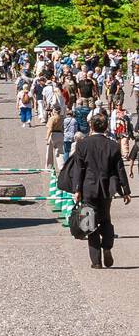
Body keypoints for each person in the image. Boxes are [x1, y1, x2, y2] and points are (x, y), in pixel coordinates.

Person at [67, 113, 133, 269]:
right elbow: (120, 170)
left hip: (87, 188)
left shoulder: (83, 145)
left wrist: (77, 189)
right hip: (106, 189)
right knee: (105, 220)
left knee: (89, 223)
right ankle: (107, 247)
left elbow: (79, 170)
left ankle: (96, 261)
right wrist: (125, 190)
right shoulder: (113, 146)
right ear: (105, 128)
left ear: (91, 126)